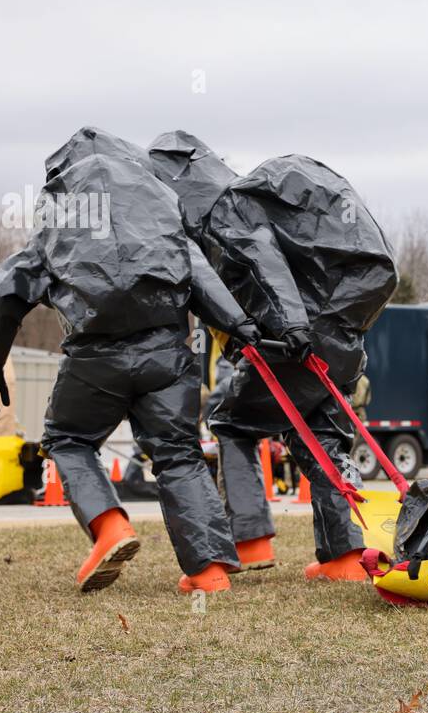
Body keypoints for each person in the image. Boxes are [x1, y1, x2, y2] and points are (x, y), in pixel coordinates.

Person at [0, 129, 260, 594]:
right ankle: (208, 571)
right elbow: (198, 272)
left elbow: (1, 289)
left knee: (68, 438)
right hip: (167, 355)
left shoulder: (62, 219)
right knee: (178, 455)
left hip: (95, 358)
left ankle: (110, 528)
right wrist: (240, 327)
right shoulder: (160, 212)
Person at [149, 132, 397, 581]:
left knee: (230, 421)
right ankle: (345, 557)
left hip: (308, 332)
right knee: (319, 440)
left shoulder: (230, 207)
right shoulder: (255, 198)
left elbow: (264, 260)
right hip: (342, 335)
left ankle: (249, 539)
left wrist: (292, 325)